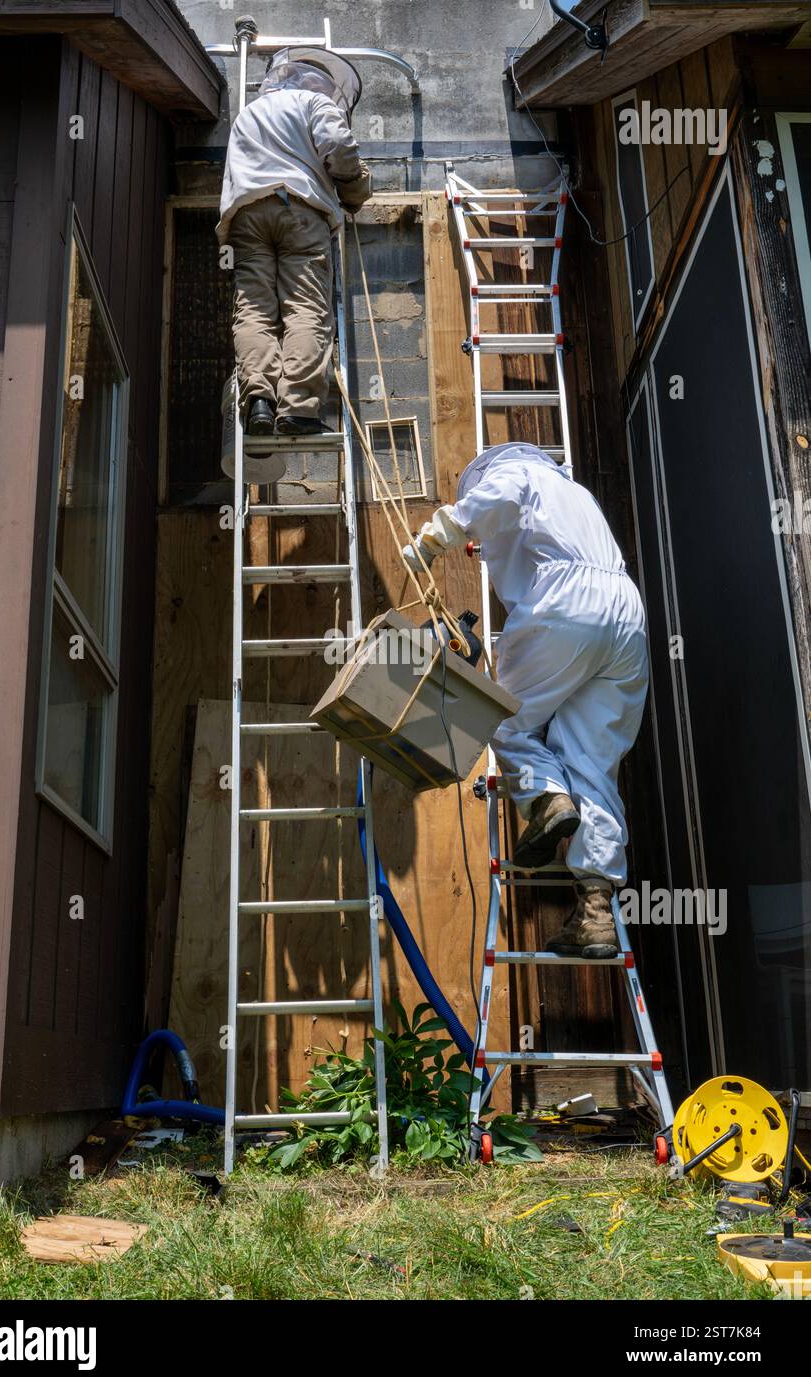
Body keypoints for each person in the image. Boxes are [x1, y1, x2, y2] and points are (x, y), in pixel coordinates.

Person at [403, 442, 648, 958]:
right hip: (627, 616)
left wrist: (434, 537)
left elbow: (501, 495)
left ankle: (545, 799)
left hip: (566, 603)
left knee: (504, 717)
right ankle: (597, 907)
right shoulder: (576, 493)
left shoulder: (516, 474)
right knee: (593, 760)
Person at [216, 48, 371, 438]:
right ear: (314, 81)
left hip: (247, 217)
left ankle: (260, 401)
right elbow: (337, 145)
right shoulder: (313, 102)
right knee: (306, 309)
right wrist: (354, 188)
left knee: (253, 311)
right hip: (300, 211)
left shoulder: (249, 113)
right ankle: (298, 408)